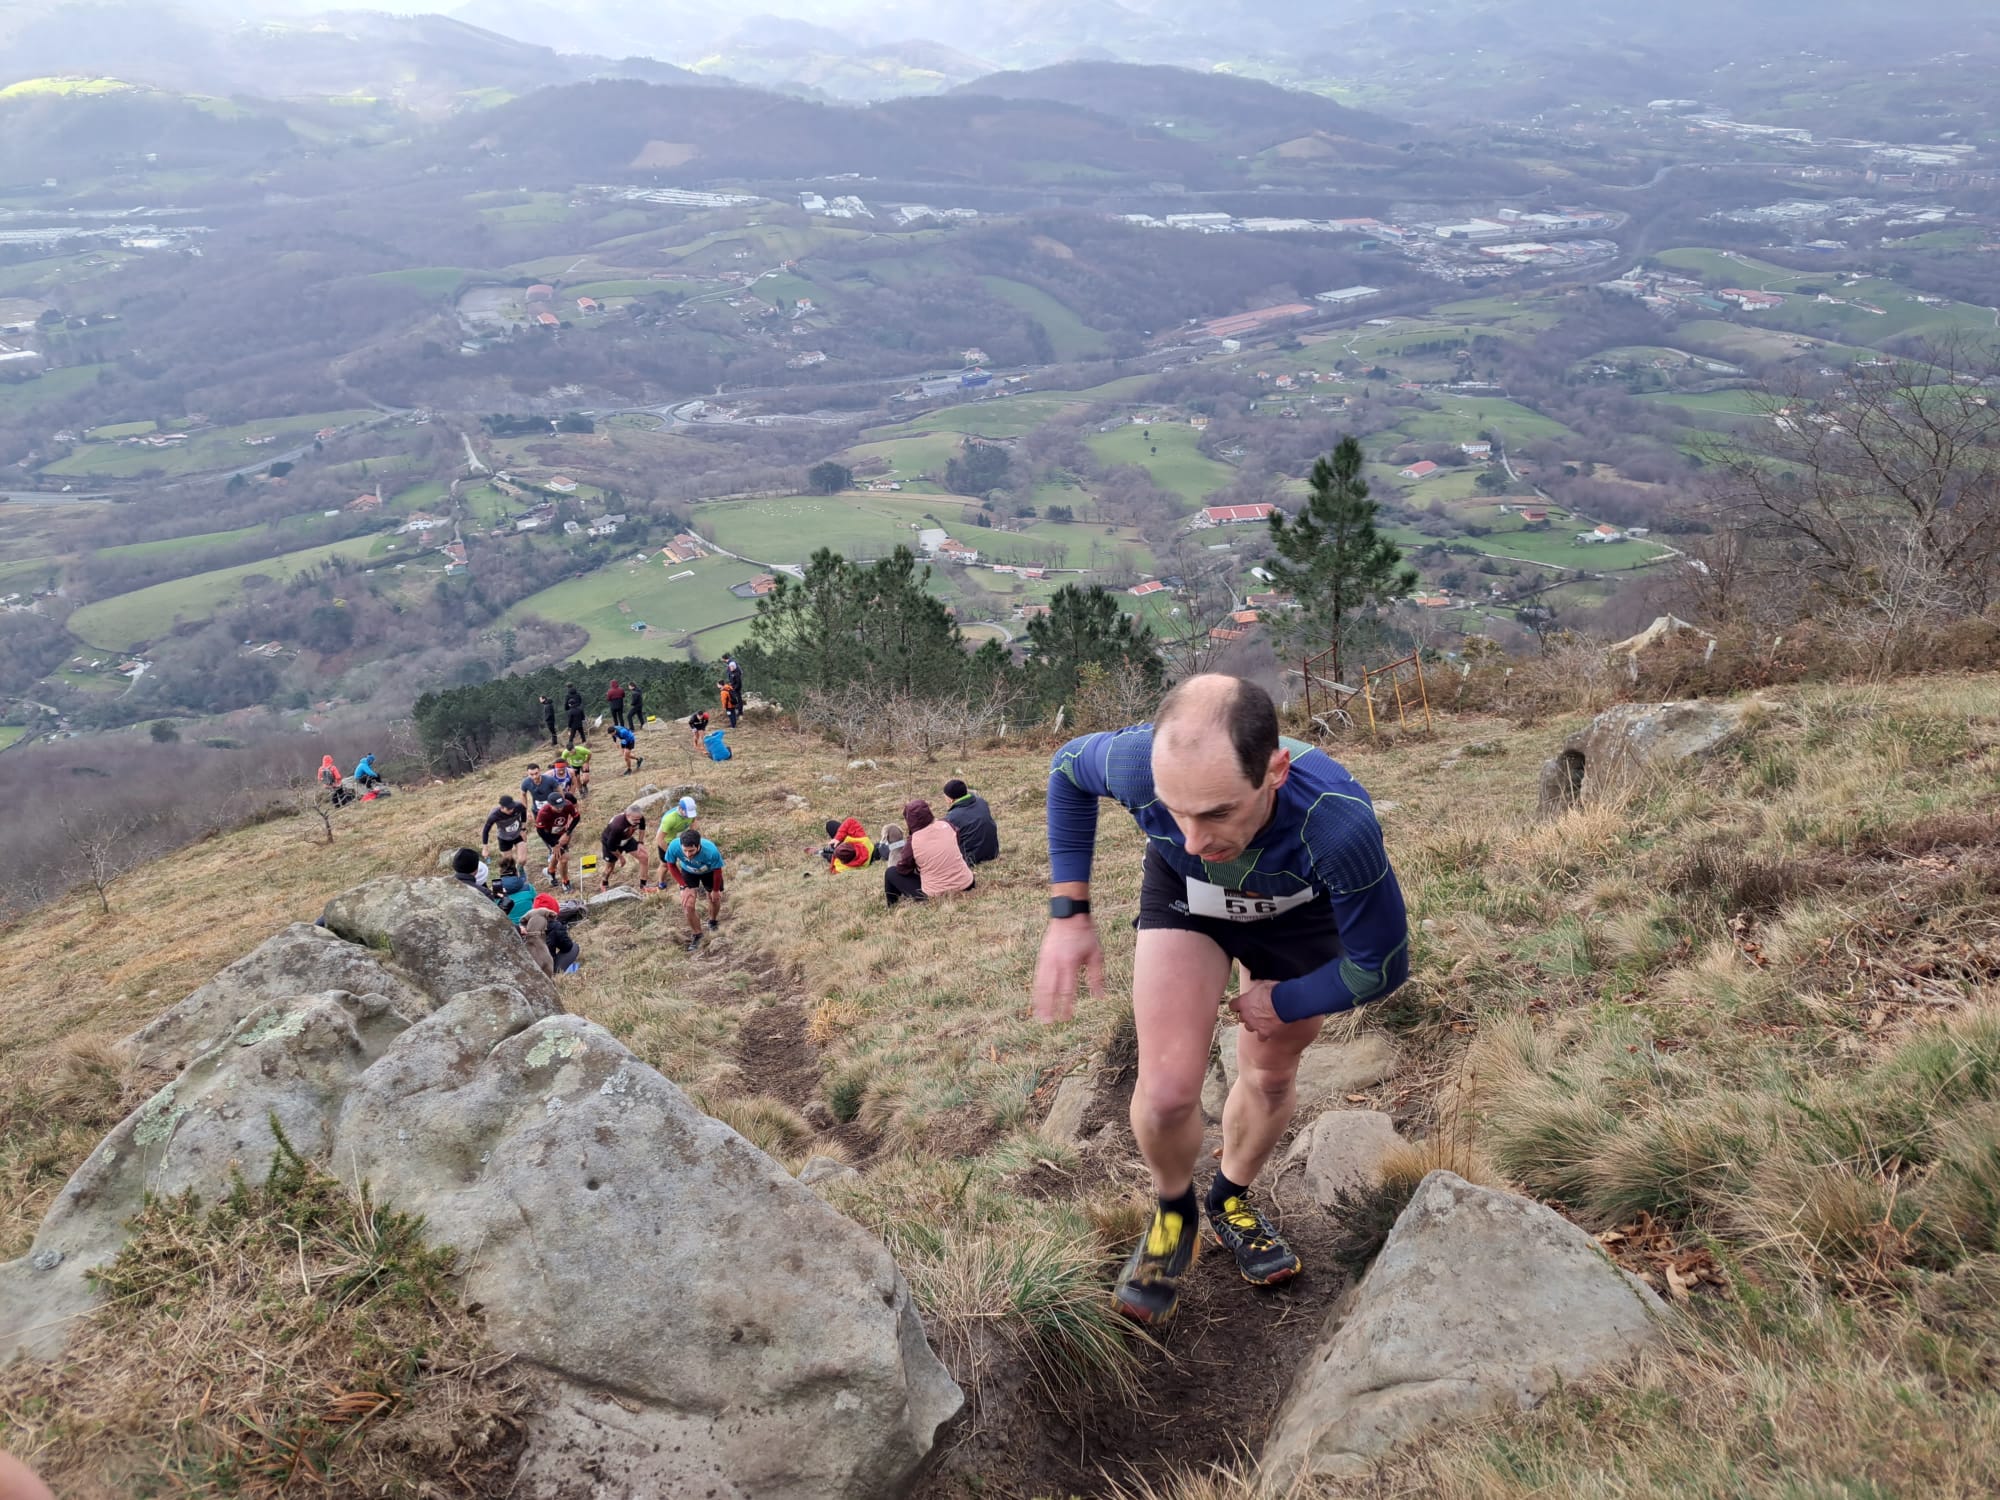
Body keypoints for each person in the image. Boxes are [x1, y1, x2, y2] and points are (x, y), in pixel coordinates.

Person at [1033, 674, 1410, 1328]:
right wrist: (1070, 914)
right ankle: (1175, 1212)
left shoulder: (1337, 824)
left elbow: (1382, 963)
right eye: (1174, 811)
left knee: (1267, 1075)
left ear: (1276, 771)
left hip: (1296, 921)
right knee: (1168, 1091)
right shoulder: (1136, 766)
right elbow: (1066, 769)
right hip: (1189, 903)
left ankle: (1230, 1196)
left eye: (1217, 813)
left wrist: (1286, 1000)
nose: (1193, 838)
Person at [664, 826, 725, 953]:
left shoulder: (711, 850)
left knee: (714, 899)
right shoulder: (674, 846)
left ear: (698, 846)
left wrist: (715, 890)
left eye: (691, 851)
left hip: (709, 873)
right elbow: (671, 865)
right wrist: (683, 886)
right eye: (685, 851)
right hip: (688, 873)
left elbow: (717, 871)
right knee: (688, 905)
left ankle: (712, 921)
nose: (688, 854)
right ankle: (698, 935)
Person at [903, 798, 976, 899]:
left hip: (938, 893)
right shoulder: (946, 824)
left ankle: (891, 906)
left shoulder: (913, 841)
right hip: (967, 883)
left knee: (891, 873)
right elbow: (957, 841)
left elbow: (903, 868)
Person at [942, 777, 1000, 866]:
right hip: (993, 852)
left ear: (951, 799)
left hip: (971, 859)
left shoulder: (951, 818)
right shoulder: (981, 802)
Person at [521, 893, 580, 975]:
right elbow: (567, 947)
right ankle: (556, 972)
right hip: (546, 966)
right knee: (574, 947)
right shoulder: (555, 926)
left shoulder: (524, 926)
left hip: (527, 968)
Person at [597, 806, 651, 892]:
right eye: (635, 820)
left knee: (644, 857)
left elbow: (642, 828)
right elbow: (611, 845)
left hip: (626, 839)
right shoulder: (617, 825)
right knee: (610, 868)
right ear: (627, 815)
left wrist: (640, 843)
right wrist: (621, 857)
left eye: (639, 819)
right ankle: (604, 882)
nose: (638, 821)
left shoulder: (639, 817)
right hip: (611, 843)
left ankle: (643, 885)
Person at [535, 790, 581, 891]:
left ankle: (550, 871)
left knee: (558, 855)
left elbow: (577, 818)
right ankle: (566, 882)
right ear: (550, 805)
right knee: (563, 859)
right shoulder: (543, 813)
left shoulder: (567, 805)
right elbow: (540, 832)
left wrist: (567, 833)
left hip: (562, 833)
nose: (560, 808)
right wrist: (554, 844)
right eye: (557, 807)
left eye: (561, 805)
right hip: (549, 836)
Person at [881, 822, 926, 905]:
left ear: (886, 837)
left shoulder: (896, 856)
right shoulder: (910, 847)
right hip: (929, 885)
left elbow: (902, 870)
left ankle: (892, 904)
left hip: (920, 891)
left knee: (890, 873)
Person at [481, 794, 528, 863]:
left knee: (523, 860)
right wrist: (485, 848)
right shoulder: (494, 815)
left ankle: (520, 870)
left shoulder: (518, 806)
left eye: (512, 807)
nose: (511, 810)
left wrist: (523, 829)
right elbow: (485, 830)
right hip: (504, 838)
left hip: (518, 835)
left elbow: (523, 811)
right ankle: (513, 873)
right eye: (508, 809)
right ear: (502, 808)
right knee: (509, 863)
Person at [653, 795, 698, 865]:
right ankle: (660, 876)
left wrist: (693, 836)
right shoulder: (669, 819)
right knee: (665, 865)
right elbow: (659, 839)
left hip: (683, 841)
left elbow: (693, 821)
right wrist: (671, 852)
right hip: (667, 843)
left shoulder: (691, 812)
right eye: (687, 813)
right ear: (680, 808)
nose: (689, 816)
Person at [489, 856, 535, 922]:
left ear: (500, 873)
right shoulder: (529, 888)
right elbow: (537, 904)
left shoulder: (495, 893)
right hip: (531, 924)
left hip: (511, 928)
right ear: (516, 872)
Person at [563, 684, 587, 749]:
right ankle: (584, 742)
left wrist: (569, 726)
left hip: (573, 725)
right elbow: (583, 716)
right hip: (579, 722)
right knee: (582, 733)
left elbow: (570, 719)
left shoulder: (568, 696)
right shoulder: (578, 694)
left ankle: (570, 743)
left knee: (572, 735)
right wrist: (583, 720)